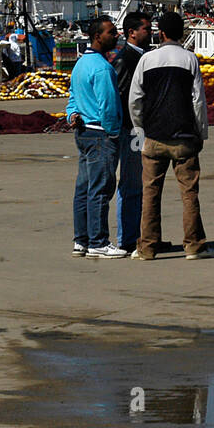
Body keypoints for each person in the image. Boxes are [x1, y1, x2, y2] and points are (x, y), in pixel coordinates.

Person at [128, 10, 214, 260]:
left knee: (150, 193)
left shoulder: (146, 60)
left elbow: (135, 100)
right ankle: (193, 245)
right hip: (184, 137)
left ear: (161, 33)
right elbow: (198, 101)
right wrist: (201, 133)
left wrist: (140, 130)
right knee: (189, 194)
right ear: (182, 33)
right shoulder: (190, 59)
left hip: (154, 137)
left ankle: (147, 247)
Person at [66, 16, 126, 259]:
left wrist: (72, 114)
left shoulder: (81, 65)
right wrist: (113, 133)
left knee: (84, 189)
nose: (116, 36)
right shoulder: (102, 68)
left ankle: (81, 240)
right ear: (97, 36)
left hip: (83, 132)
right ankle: (98, 241)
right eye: (112, 32)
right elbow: (109, 105)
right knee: (100, 189)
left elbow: (73, 97)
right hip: (100, 133)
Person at [110, 11, 151, 254]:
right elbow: (123, 95)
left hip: (139, 129)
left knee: (142, 183)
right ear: (132, 33)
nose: (150, 32)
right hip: (132, 130)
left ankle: (140, 234)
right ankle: (128, 238)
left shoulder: (142, 56)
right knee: (131, 182)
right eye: (145, 28)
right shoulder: (126, 59)